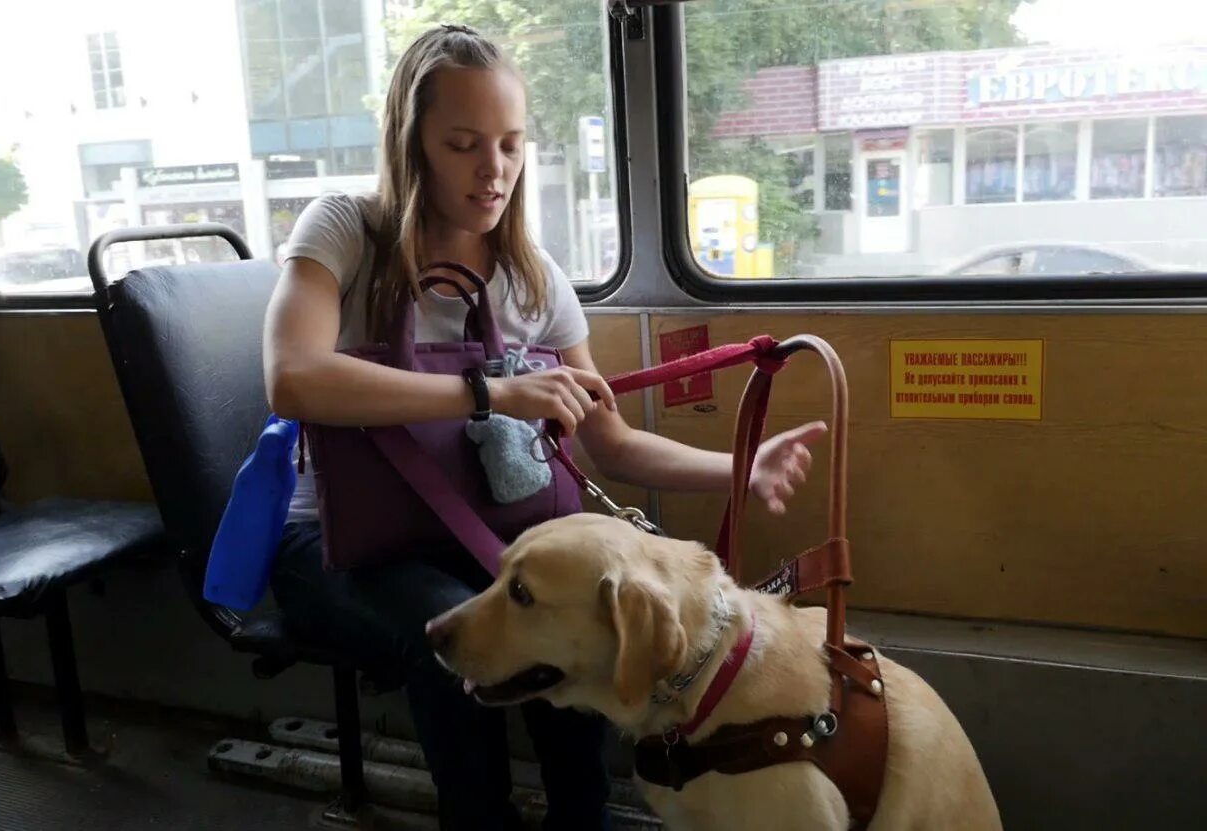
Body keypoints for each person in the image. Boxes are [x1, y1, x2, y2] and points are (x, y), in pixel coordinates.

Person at [263, 23, 826, 831]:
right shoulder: (347, 233)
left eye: (510, 144)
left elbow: (608, 443)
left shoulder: (533, 276)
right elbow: (293, 377)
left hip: (485, 533)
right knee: (448, 638)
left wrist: (741, 469)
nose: (493, 170)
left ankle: (581, 816)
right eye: (463, 144)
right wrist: (487, 393)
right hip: (345, 540)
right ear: (412, 142)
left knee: (565, 621)